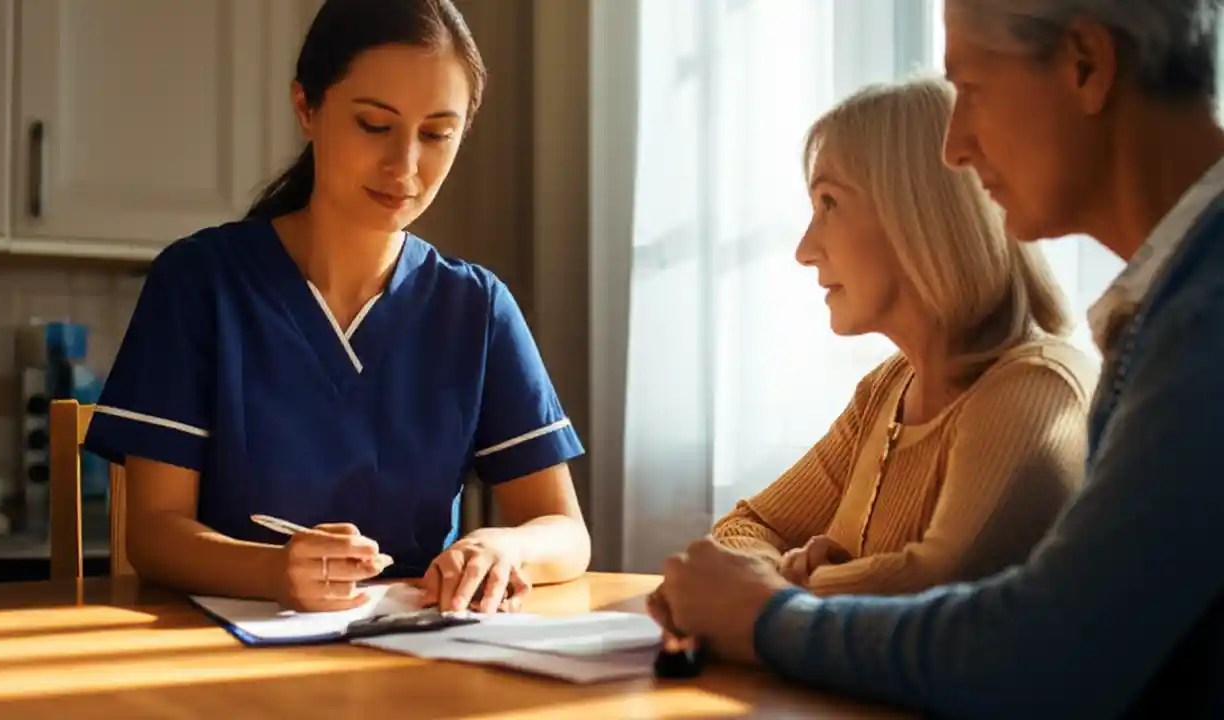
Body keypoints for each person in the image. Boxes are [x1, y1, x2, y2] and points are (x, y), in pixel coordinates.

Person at [651, 0, 1224, 717]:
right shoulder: (1175, 308)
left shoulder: (1202, 321)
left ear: (1086, 66)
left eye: (971, 90)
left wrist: (767, 614)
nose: (953, 147)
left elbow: (1051, 649)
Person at [84, 0, 590, 615]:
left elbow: (564, 530)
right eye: (375, 126)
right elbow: (155, 534)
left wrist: (504, 546)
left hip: (411, 659)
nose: (405, 166)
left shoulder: (476, 309)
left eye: (436, 134)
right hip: (217, 655)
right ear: (307, 107)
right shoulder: (200, 284)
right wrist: (275, 571)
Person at [710, 78, 1095, 598]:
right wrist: (785, 575)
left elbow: (932, 588)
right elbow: (743, 529)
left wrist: (802, 583)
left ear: (917, 215)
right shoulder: (890, 387)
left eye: (829, 203)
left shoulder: (1037, 390)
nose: (804, 249)